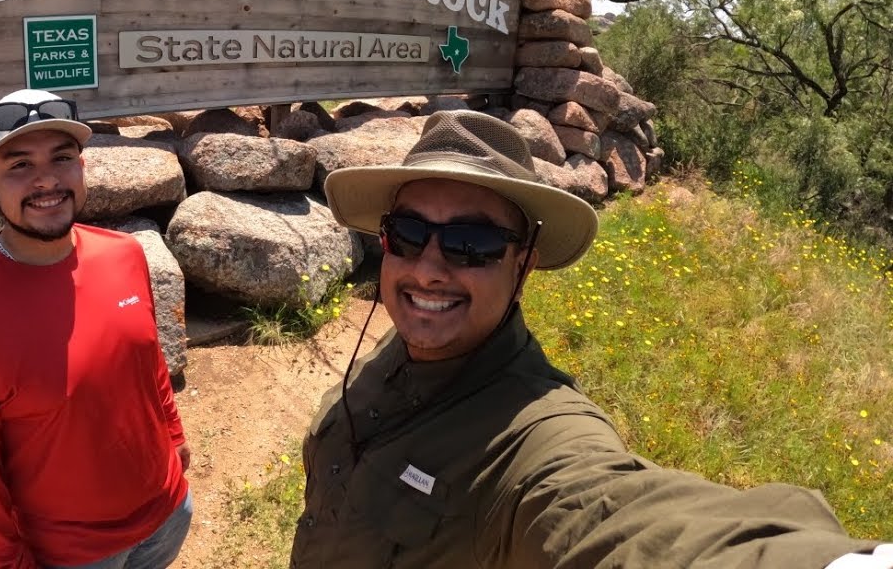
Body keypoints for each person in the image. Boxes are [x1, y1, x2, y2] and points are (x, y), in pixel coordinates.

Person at [290, 109, 893, 568]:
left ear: (523, 267)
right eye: (408, 231)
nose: (427, 268)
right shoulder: (404, 347)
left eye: (472, 244)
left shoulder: (534, 439)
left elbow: (609, 516)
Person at [0, 89, 192, 569]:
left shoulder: (124, 255)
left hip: (167, 514)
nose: (46, 179)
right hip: (69, 555)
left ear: (82, 169)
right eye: (19, 165)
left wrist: (174, 435)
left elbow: (147, 360)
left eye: (62, 158)